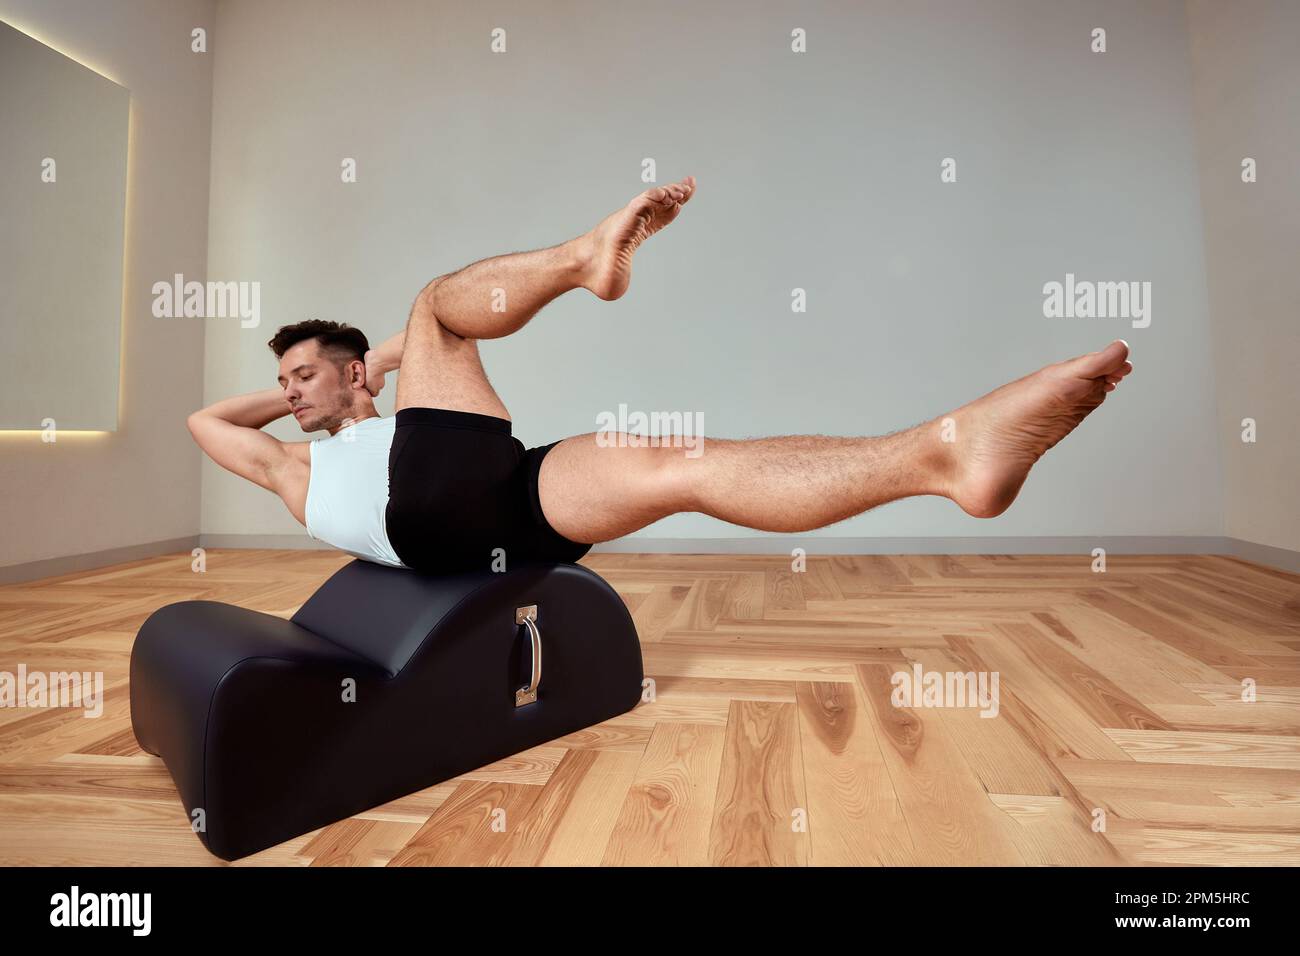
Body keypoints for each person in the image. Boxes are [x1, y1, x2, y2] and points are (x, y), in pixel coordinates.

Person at [187, 175, 1134, 573]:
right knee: (434, 300)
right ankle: (585, 257)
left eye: (307, 371)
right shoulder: (292, 467)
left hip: (506, 510)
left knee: (684, 463)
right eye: (286, 381)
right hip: (420, 506)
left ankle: (943, 457)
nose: (292, 390)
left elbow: (394, 372)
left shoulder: (387, 414)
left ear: (358, 375)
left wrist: (364, 379)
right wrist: (323, 390)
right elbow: (208, 423)